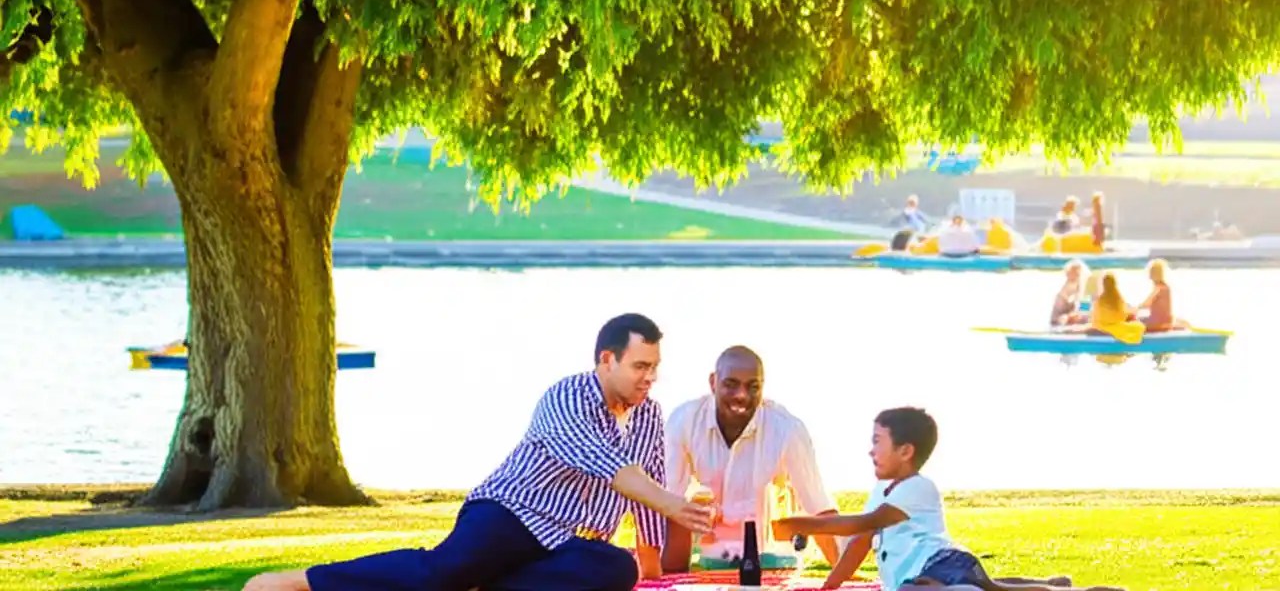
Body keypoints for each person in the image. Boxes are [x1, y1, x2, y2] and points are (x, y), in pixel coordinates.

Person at [243, 313, 714, 591]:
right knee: (440, 574)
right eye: (640, 366)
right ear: (606, 360)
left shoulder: (650, 415)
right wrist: (676, 505)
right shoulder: (566, 397)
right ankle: (301, 582)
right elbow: (608, 466)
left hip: (568, 542)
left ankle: (485, 587)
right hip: (511, 514)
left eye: (654, 367)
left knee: (616, 569)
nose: (649, 377)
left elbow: (648, 486)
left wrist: (650, 566)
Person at [772, 408, 1124, 591]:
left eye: (878, 441)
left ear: (905, 450)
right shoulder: (882, 490)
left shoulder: (917, 488)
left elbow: (860, 525)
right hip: (929, 575)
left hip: (941, 564)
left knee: (981, 589)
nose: (870, 449)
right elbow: (861, 541)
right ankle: (1050, 584)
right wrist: (832, 584)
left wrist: (798, 524)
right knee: (991, 588)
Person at [661, 346, 843, 574]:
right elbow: (669, 503)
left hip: (773, 562)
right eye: (731, 384)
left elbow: (819, 507)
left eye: (753, 387)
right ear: (713, 382)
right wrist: (669, 581)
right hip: (712, 560)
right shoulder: (684, 421)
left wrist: (845, 576)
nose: (741, 395)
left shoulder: (787, 429)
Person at [1136, 259, 1177, 331]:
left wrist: (1132, 309)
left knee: (1134, 322)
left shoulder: (1158, 288)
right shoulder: (1166, 287)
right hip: (1166, 320)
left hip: (1158, 323)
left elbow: (1145, 304)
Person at [1050, 260, 1090, 327]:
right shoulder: (1061, 294)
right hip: (1060, 325)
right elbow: (1054, 319)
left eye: (1077, 275)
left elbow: (1084, 313)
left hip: (1079, 326)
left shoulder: (1085, 294)